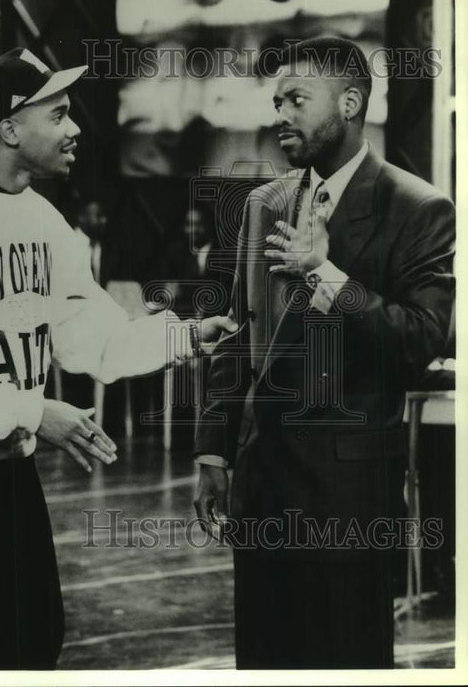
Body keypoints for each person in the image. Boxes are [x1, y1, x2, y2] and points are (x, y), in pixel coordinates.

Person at [0, 47, 236, 670]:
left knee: (32, 645)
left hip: (6, 471)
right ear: (11, 127)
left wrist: (187, 335)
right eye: (60, 114)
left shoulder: (46, 222)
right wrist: (35, 411)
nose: (75, 130)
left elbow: (93, 339)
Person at [193, 37, 455, 669]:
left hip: (347, 500)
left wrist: (325, 275)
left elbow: (422, 337)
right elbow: (238, 332)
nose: (280, 113)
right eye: (276, 100)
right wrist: (212, 451)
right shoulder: (263, 204)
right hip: (261, 492)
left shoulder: (418, 208)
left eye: (297, 100)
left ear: (351, 101)